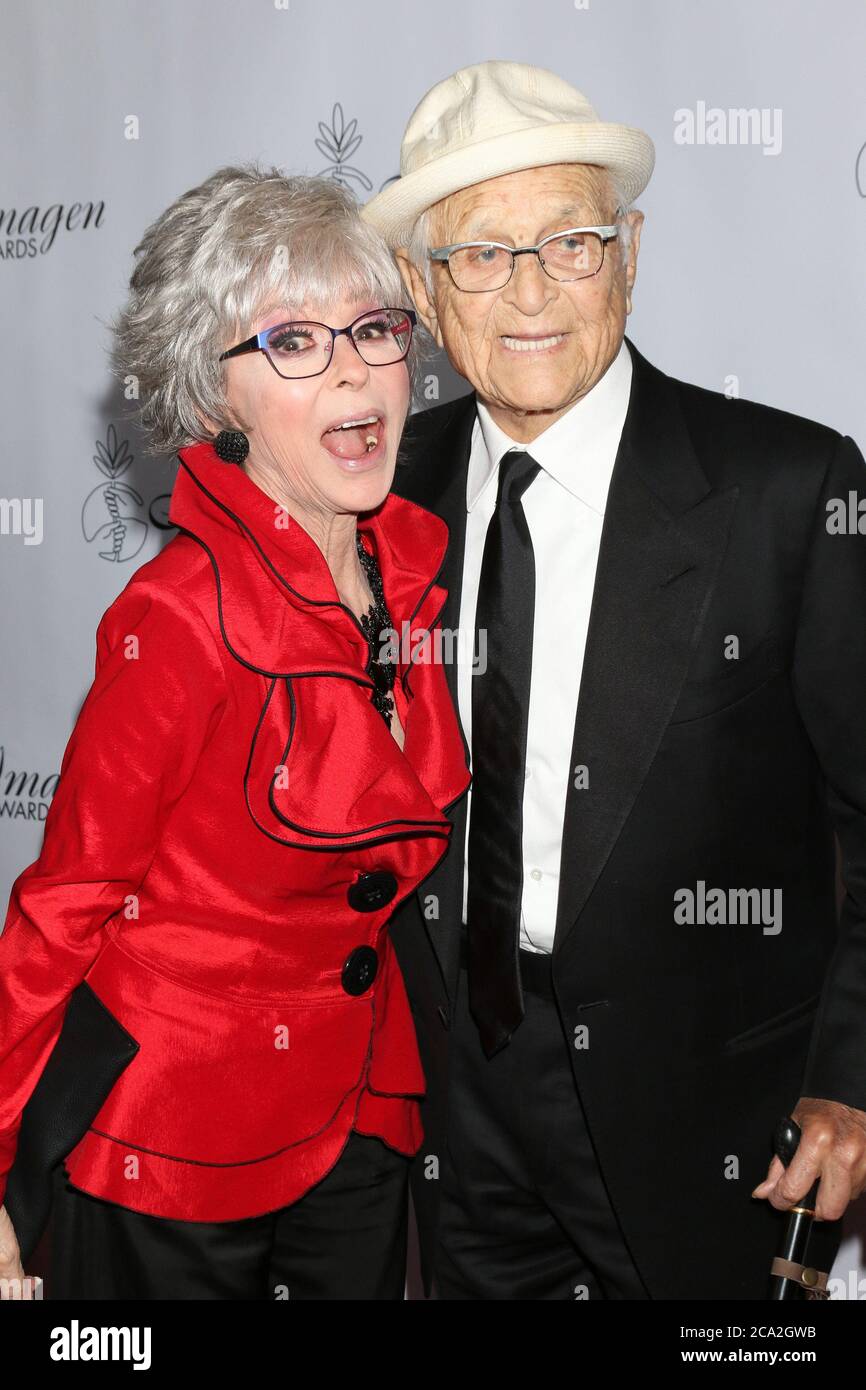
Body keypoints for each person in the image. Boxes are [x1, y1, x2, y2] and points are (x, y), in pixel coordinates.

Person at [362, 60, 866, 1300]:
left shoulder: (789, 491)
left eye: (570, 244)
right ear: (426, 295)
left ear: (628, 255)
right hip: (455, 1094)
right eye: (481, 256)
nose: (529, 291)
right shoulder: (375, 499)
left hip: (716, 1113)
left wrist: (851, 1075)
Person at [0, 164, 470, 1300]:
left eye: (371, 327)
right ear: (214, 401)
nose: (354, 365)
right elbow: (64, 906)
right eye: (292, 342)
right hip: (167, 1138)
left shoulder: (416, 569)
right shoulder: (172, 616)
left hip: (360, 1111)